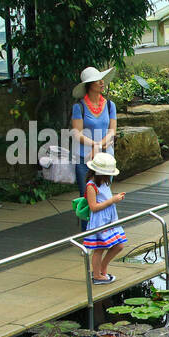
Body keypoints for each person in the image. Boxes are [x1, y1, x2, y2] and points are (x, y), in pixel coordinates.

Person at [70, 66, 117, 231]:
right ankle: (88, 235)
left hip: (105, 159)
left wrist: (100, 145)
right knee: (88, 195)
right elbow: (77, 133)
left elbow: (112, 131)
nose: (102, 82)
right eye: (98, 80)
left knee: (104, 194)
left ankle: (106, 231)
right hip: (85, 158)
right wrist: (94, 145)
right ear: (89, 85)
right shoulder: (79, 107)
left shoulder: (110, 105)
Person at [83, 153, 127, 285]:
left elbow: (105, 198)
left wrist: (115, 198)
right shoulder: (91, 186)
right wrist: (112, 200)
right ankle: (97, 275)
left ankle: (102, 268)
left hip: (110, 219)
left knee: (119, 245)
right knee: (100, 248)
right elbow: (93, 207)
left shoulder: (104, 182)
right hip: (100, 221)